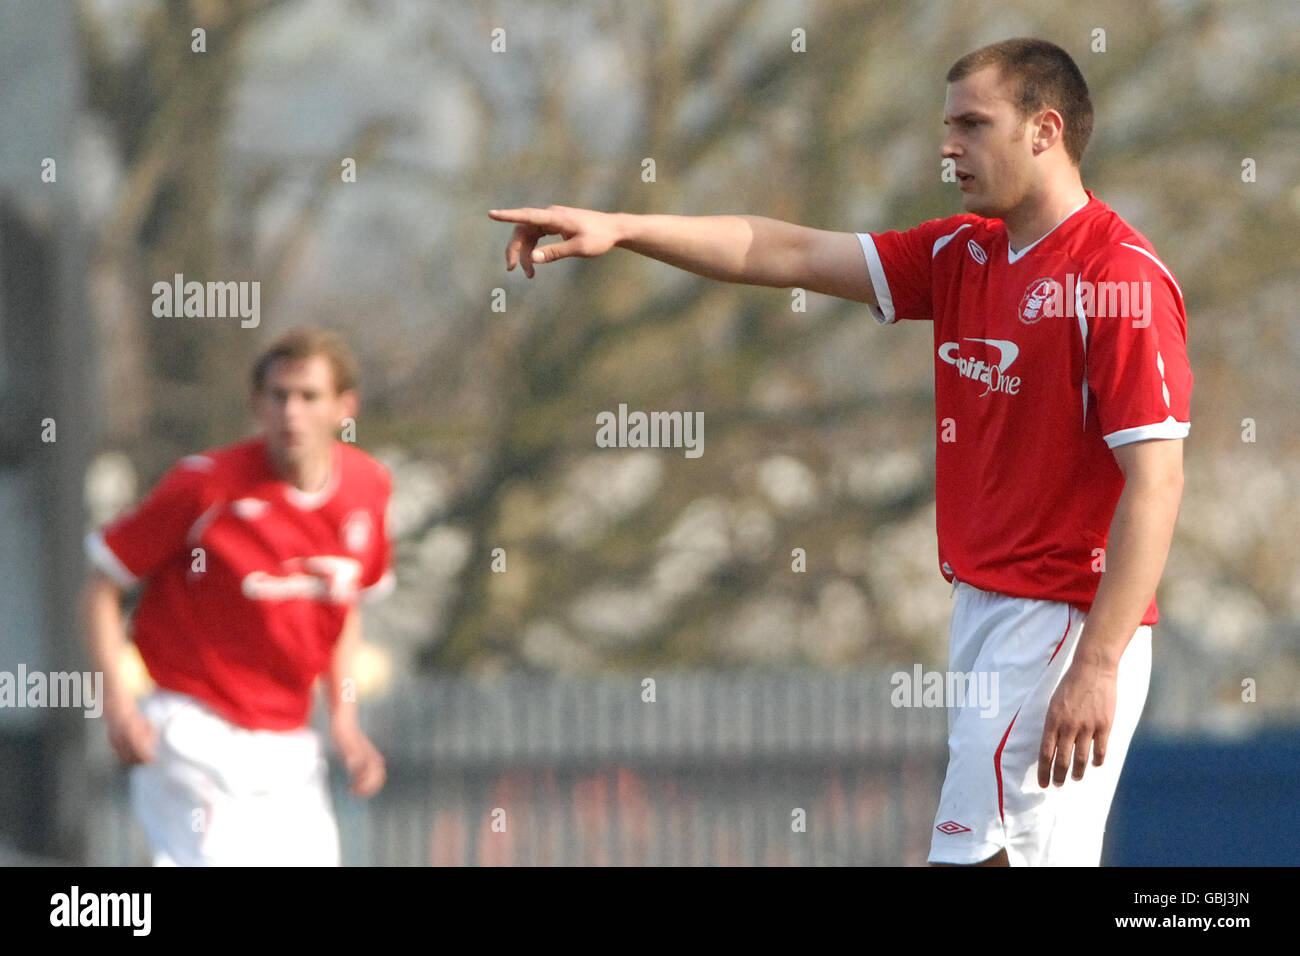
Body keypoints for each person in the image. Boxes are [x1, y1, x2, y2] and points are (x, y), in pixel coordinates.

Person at [489, 37, 1190, 867]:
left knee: (971, 859)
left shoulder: (1118, 278)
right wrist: (622, 227)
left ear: (1044, 131)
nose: (947, 145)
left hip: (1060, 623)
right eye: (946, 124)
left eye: (972, 123)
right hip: (991, 616)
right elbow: (783, 250)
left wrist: (1097, 663)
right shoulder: (961, 254)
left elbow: (1158, 482)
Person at [82, 326, 393, 866]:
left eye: (309, 397)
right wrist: (119, 709)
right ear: (257, 404)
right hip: (191, 728)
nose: (291, 412)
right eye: (279, 396)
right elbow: (102, 587)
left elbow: (344, 612)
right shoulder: (206, 485)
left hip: (289, 745)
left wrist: (344, 724)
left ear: (345, 407)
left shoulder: (368, 490)